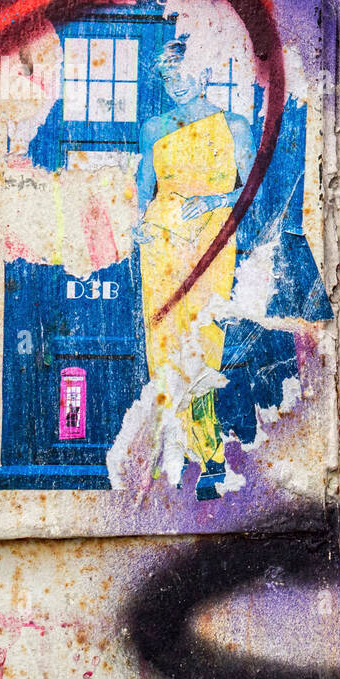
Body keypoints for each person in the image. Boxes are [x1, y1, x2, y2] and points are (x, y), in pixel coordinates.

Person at [133, 35, 255, 500]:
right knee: (164, 344)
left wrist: (214, 200)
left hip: (211, 240)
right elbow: (145, 186)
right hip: (162, 244)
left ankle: (211, 456)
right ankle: (176, 453)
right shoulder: (153, 128)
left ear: (204, 72)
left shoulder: (236, 127)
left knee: (202, 343)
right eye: (167, 76)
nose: (176, 83)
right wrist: (138, 226)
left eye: (183, 73)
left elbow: (248, 194)